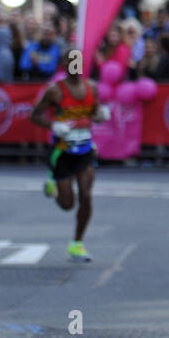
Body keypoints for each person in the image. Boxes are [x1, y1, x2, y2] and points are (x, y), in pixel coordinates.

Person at [30, 49, 110, 262]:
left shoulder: (92, 88)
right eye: (70, 61)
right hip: (62, 152)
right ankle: (53, 187)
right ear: (64, 65)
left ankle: (77, 242)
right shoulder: (55, 91)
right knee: (67, 204)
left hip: (84, 150)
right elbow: (34, 115)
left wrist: (100, 115)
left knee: (86, 193)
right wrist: (53, 125)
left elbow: (94, 112)